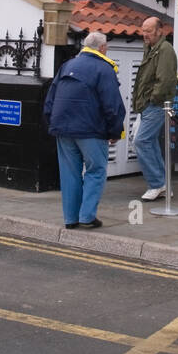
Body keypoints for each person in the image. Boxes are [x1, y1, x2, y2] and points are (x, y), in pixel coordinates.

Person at [43, 30, 125, 229]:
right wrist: (115, 131)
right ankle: (87, 216)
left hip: (63, 128)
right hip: (91, 130)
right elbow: (112, 105)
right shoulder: (104, 68)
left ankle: (70, 219)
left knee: (69, 173)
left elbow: (50, 99)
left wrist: (52, 123)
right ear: (102, 48)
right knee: (96, 171)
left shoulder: (67, 65)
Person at [131, 16, 177, 201]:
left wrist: (152, 99)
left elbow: (165, 79)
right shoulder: (152, 48)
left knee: (141, 141)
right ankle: (163, 185)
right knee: (149, 142)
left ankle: (157, 184)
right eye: (143, 30)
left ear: (160, 31)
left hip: (156, 105)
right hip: (148, 104)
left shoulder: (164, 49)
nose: (145, 34)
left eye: (149, 31)